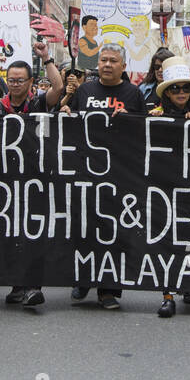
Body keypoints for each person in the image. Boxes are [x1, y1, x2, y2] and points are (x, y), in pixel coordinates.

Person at [65, 42, 144, 309]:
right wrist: (65, 113)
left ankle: (108, 289)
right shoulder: (85, 90)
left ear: (123, 66)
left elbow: (144, 132)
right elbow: (72, 124)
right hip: (86, 170)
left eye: (113, 61)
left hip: (118, 174)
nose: (107, 65)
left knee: (114, 231)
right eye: (104, 60)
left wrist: (129, 118)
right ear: (97, 64)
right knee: (84, 228)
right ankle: (83, 279)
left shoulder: (133, 94)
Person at [0, 42, 63, 308]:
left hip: (36, 180)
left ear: (31, 81)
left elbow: (58, 88)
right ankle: (17, 285)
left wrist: (46, 58)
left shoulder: (39, 103)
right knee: (10, 234)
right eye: (11, 80)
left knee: (34, 232)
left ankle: (33, 286)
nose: (15, 85)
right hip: (6, 184)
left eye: (20, 80)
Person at [148, 57, 190, 318]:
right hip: (163, 186)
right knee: (166, 241)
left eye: (185, 88)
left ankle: (189, 283)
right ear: (167, 92)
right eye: (175, 89)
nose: (181, 93)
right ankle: (168, 293)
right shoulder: (153, 116)